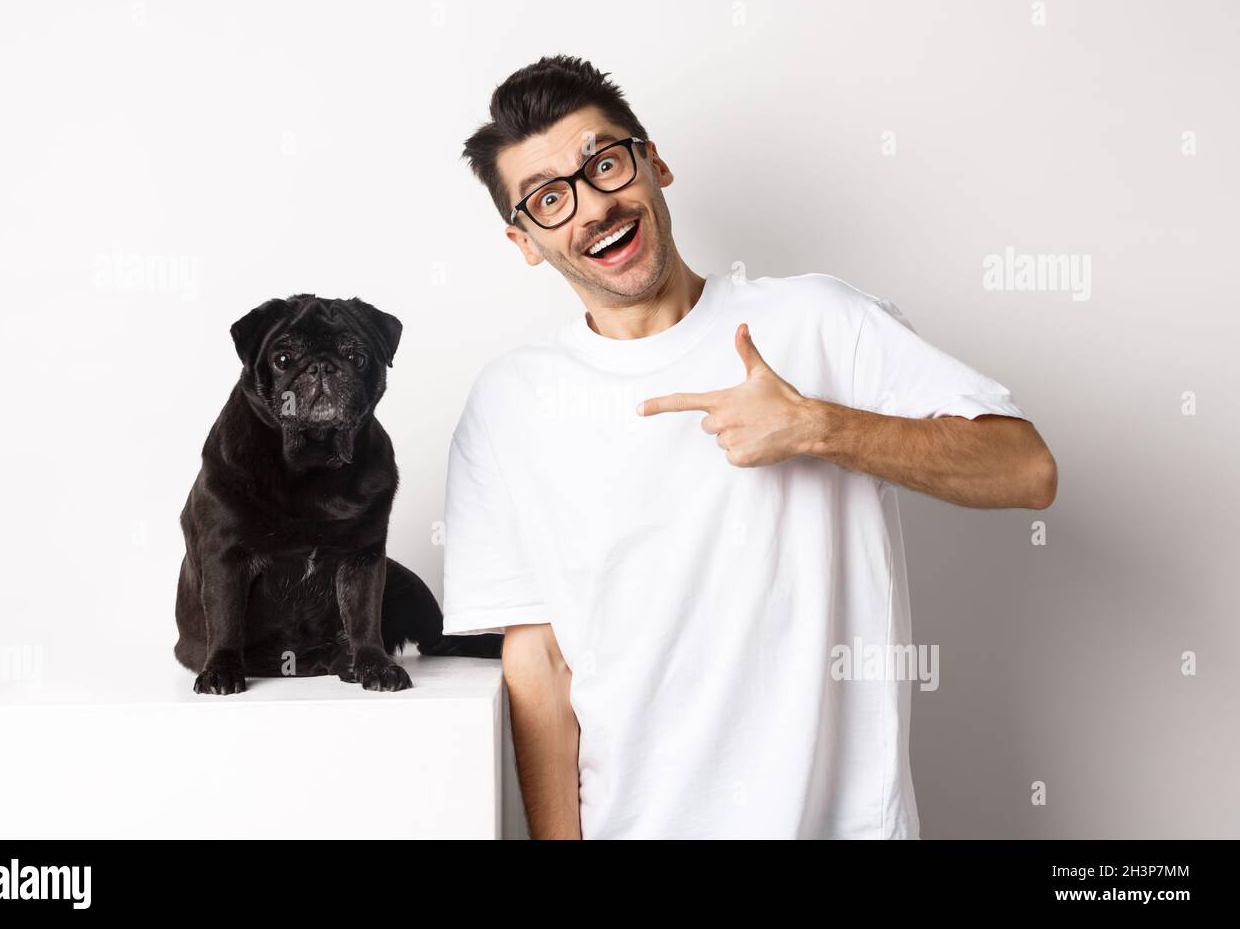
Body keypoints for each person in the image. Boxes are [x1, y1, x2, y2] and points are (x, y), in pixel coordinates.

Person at [443, 54, 1057, 839]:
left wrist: (820, 427)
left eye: (604, 163)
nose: (592, 206)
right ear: (524, 240)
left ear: (653, 162)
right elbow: (539, 667)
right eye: (550, 199)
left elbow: (1028, 470)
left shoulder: (818, 320)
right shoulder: (509, 404)